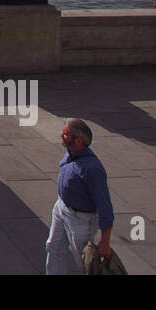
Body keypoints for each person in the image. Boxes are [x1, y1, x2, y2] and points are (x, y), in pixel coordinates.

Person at [46, 118, 114, 275]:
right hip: (61, 208)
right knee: (53, 247)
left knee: (85, 263)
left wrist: (105, 241)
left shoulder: (93, 169)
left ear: (78, 140)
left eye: (65, 135)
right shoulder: (71, 152)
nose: (61, 137)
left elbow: (105, 206)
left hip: (81, 220)